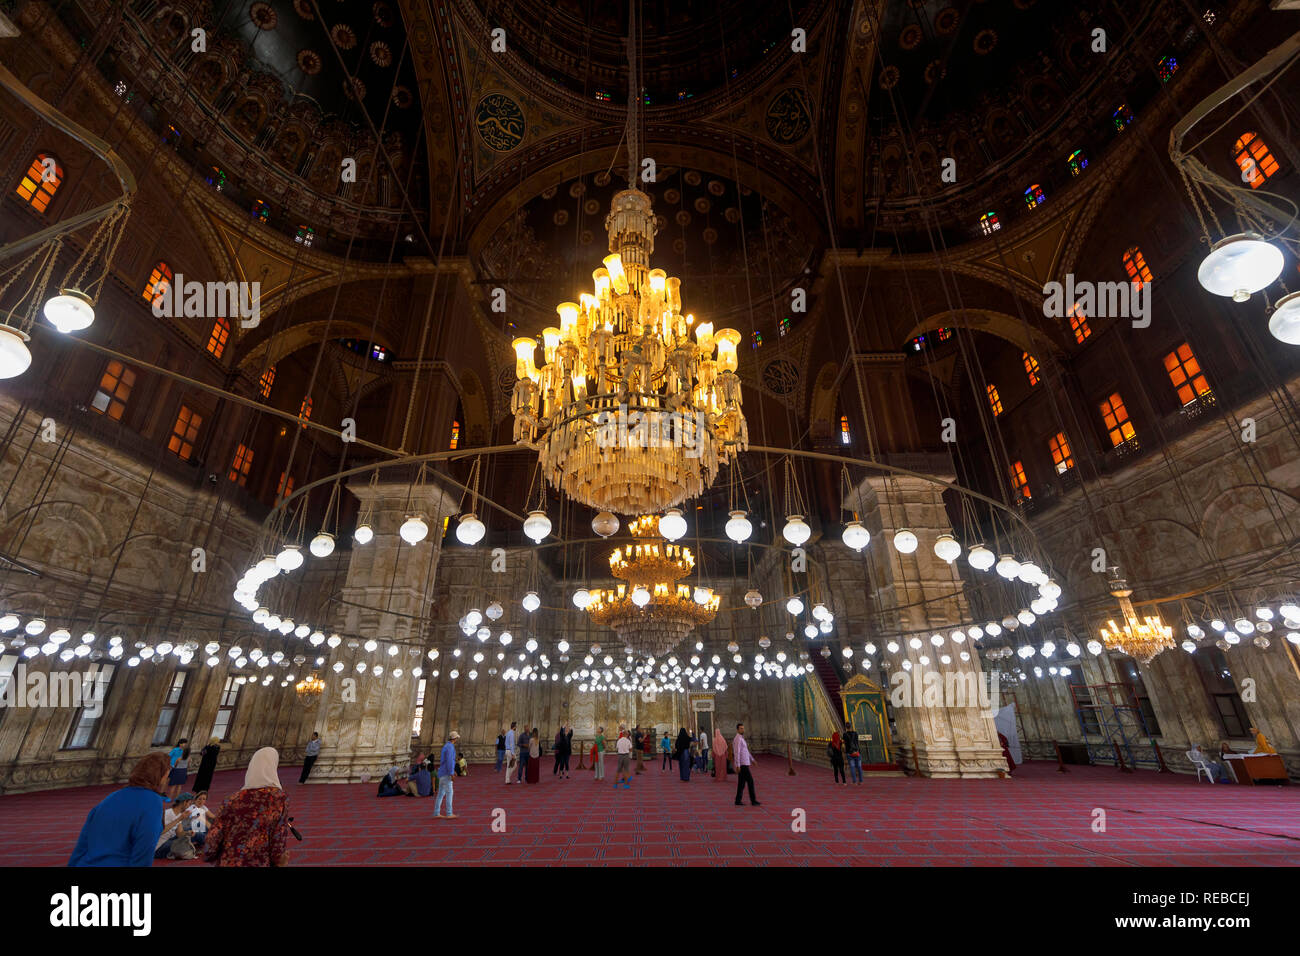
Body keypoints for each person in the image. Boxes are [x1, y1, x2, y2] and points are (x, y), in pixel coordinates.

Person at [69, 752, 171, 866]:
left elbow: (82, 844)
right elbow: (144, 848)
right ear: (159, 776)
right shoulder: (153, 802)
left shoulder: (111, 797)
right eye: (167, 775)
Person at [203, 747, 290, 867]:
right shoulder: (278, 798)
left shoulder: (231, 799)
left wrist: (210, 855)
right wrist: (280, 861)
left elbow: (212, 839)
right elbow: (278, 841)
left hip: (227, 861)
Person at [155, 793, 194, 859]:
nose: (189, 807)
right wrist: (179, 819)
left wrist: (188, 833)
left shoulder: (179, 814)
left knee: (193, 834)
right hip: (159, 847)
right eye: (189, 804)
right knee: (183, 845)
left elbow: (179, 834)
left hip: (169, 840)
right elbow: (159, 832)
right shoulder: (167, 813)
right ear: (184, 802)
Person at [732, 722, 760, 806]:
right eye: (741, 728)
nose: (743, 730)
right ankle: (753, 800)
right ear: (737, 730)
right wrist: (737, 765)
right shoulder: (737, 739)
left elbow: (746, 751)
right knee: (750, 782)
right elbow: (737, 752)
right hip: (742, 764)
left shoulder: (742, 738)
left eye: (743, 728)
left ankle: (737, 800)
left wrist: (752, 759)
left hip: (745, 762)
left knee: (741, 783)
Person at [434, 731, 460, 819]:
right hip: (446, 774)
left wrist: (453, 771)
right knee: (449, 793)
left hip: (442, 772)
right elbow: (449, 761)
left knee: (440, 794)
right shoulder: (450, 747)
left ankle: (436, 812)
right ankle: (449, 813)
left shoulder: (446, 746)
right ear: (455, 738)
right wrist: (451, 773)